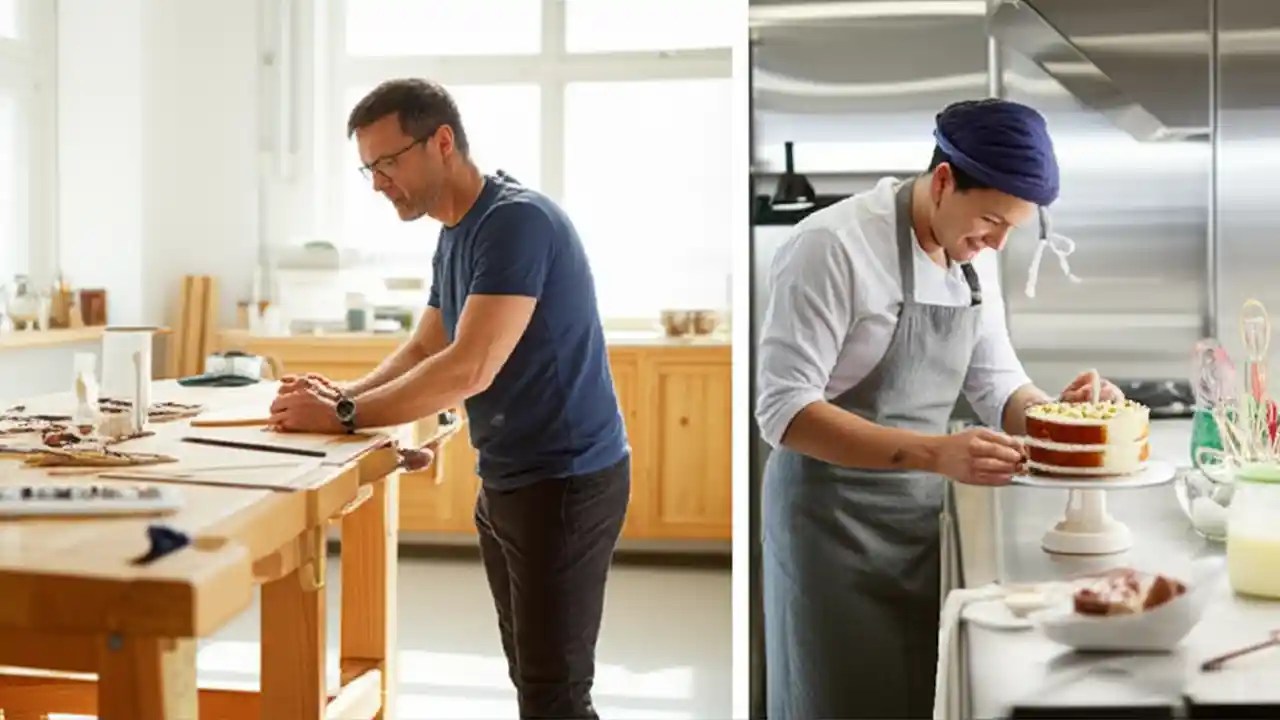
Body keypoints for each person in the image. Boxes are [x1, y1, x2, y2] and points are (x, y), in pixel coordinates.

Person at [269, 78, 631, 719]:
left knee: (555, 694)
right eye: (368, 169)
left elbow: (470, 368)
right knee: (533, 677)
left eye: (387, 162)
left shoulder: (515, 222)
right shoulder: (456, 230)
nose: (379, 182)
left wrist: (346, 414)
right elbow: (423, 349)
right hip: (511, 477)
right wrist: (343, 395)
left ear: (441, 142)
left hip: (566, 483)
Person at [755, 98, 1124, 719]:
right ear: (944, 180)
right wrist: (935, 452)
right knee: (838, 699)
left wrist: (1068, 416)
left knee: (914, 697)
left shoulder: (972, 257)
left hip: (921, 524)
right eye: (989, 220)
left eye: (1012, 228)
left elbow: (998, 384)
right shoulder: (832, 246)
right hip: (828, 528)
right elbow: (783, 409)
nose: (996, 242)